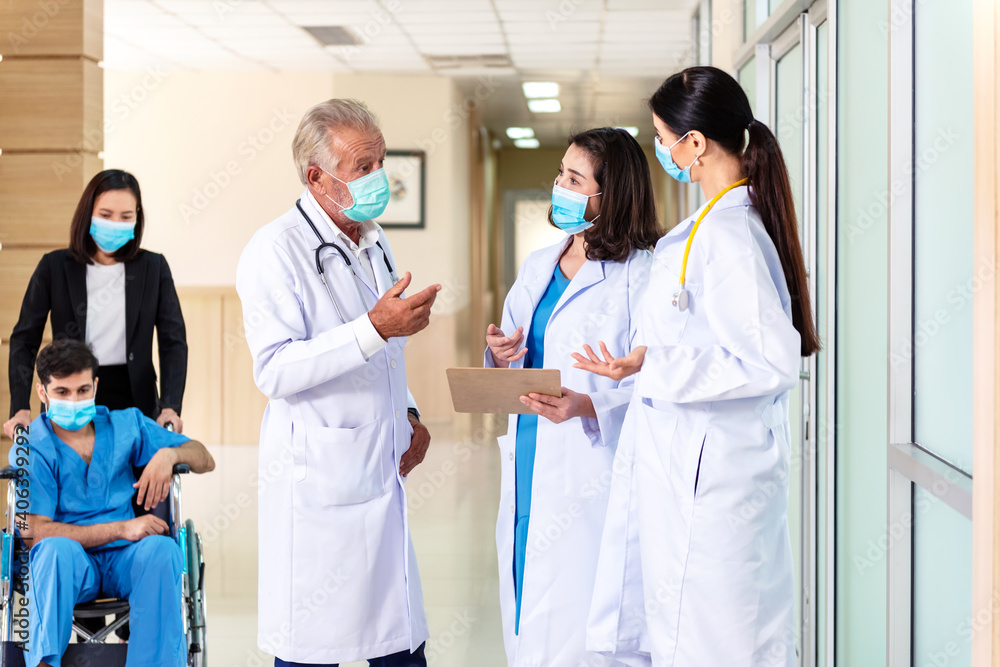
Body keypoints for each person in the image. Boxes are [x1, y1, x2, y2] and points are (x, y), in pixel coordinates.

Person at [574, 66, 821, 666]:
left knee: (714, 641)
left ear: (695, 143)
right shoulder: (714, 223)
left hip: (714, 479)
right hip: (694, 466)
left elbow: (768, 361)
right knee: (691, 634)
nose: (660, 148)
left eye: (663, 136)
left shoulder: (730, 231)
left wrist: (652, 365)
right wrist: (648, 366)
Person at [236, 98, 440, 667]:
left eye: (380, 162)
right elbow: (275, 369)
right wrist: (373, 327)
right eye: (363, 166)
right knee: (313, 644)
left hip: (379, 467)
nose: (379, 177)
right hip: (318, 479)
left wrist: (412, 414)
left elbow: (386, 356)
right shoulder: (274, 250)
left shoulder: (372, 239)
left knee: (399, 641)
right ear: (316, 177)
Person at [485, 127, 661, 666]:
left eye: (574, 178)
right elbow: (515, 346)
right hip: (531, 448)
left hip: (593, 463)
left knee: (583, 610)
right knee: (526, 585)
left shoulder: (643, 272)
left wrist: (591, 404)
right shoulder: (541, 262)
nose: (560, 185)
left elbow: (659, 381)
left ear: (611, 195)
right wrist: (500, 351)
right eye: (560, 174)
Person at [14, 339, 215, 667]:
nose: (74, 400)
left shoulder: (126, 425)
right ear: (42, 392)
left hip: (125, 560)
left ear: (95, 386)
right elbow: (33, 532)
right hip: (72, 564)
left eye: (82, 390)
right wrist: (122, 528)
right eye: (62, 392)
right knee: (52, 551)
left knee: (164, 551)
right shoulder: (30, 447)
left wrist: (169, 454)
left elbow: (205, 458)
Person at [4, 169, 188, 439]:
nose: (116, 223)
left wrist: (171, 406)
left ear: (137, 219)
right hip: (73, 393)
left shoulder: (153, 267)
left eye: (126, 217)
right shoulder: (54, 267)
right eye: (105, 215)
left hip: (135, 395)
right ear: (87, 213)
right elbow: (24, 340)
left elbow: (173, 342)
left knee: (133, 477)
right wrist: (20, 406)